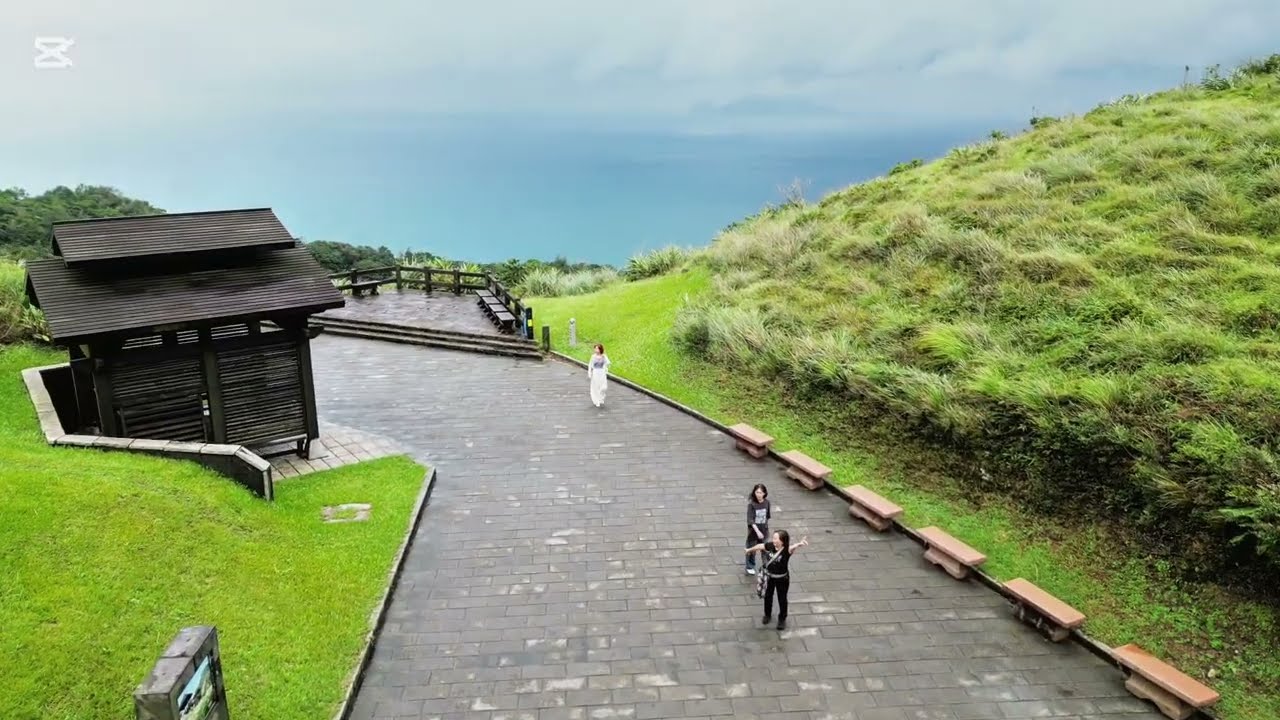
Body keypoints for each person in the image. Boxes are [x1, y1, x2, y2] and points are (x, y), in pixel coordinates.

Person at [745, 530, 808, 630]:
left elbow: (793, 547)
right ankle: (767, 615)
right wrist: (749, 550)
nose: (773, 540)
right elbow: (760, 546)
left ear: (782, 541)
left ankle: (782, 619)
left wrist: (799, 544)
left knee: (782, 598)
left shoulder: (786, 550)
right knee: (768, 596)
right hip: (770, 577)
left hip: (782, 579)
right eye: (773, 538)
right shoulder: (771, 546)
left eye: (775, 538)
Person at [744, 483, 771, 576]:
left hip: (764, 530)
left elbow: (767, 516)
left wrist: (765, 529)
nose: (758, 494)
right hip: (754, 531)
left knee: (766, 549)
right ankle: (750, 566)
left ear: (764, 493)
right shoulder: (751, 505)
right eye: (757, 492)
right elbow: (750, 520)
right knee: (752, 549)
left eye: (760, 492)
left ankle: (766, 566)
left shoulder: (767, 503)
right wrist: (757, 531)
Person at [587, 343, 610, 407]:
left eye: (597, 348)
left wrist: (606, 368)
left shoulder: (604, 356)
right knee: (596, 386)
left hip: (602, 372)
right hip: (595, 372)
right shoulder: (593, 356)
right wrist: (589, 372)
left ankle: (601, 397)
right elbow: (590, 365)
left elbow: (607, 363)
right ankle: (597, 400)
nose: (596, 350)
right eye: (595, 348)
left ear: (600, 349)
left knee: (604, 387)